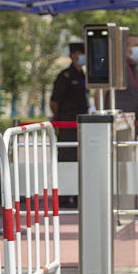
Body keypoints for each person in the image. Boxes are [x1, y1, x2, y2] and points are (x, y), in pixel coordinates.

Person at [51, 43, 88, 207]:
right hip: (67, 123)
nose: (82, 57)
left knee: (81, 159)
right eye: (80, 53)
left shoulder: (84, 75)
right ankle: (64, 196)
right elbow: (54, 101)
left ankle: (78, 194)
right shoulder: (64, 76)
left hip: (81, 123)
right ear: (73, 55)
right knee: (67, 157)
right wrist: (60, 120)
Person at [113, 33, 138, 133]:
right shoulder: (117, 67)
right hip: (119, 121)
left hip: (132, 120)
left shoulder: (134, 68)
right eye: (135, 45)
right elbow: (100, 92)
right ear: (125, 48)